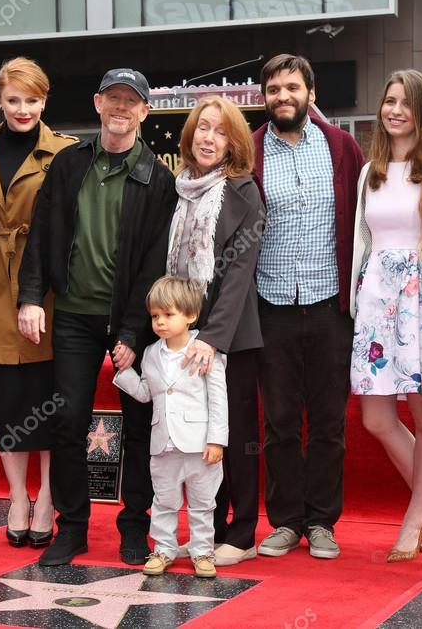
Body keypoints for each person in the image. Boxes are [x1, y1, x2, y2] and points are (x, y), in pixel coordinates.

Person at [18, 68, 178, 567]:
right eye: (113, 98)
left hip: (131, 323)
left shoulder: (158, 178)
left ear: (145, 111)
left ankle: (134, 526)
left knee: (138, 425)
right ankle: (74, 527)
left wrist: (132, 331)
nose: (121, 108)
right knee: (68, 420)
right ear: (97, 102)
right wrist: (29, 296)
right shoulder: (69, 165)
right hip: (73, 317)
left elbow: (156, 263)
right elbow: (42, 234)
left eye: (131, 101)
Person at [251, 54, 364, 560]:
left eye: (292, 87)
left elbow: (364, 222)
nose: (283, 96)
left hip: (330, 306)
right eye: (273, 89)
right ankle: (284, 522)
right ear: (264, 97)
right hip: (270, 304)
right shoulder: (248, 150)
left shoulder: (343, 148)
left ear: (310, 93)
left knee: (327, 422)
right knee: (277, 421)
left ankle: (321, 522)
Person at [0, 57, 77, 548]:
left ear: (44, 101)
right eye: (14, 99)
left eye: (32, 100)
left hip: (48, 290)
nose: (23, 109)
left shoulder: (67, 153)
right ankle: (17, 497)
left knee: (50, 398)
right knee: (8, 401)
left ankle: (48, 497)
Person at [350, 69, 422, 563]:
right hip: (375, 301)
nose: (394, 110)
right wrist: (355, 302)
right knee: (375, 416)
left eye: (405, 103)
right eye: (388, 101)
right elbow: (359, 244)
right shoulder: (372, 172)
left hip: (421, 297)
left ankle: (416, 520)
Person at [165, 96, 264, 566]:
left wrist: (211, 338)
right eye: (202, 128)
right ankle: (212, 530)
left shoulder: (243, 191)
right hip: (186, 335)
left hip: (230, 339)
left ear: (234, 141)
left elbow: (240, 275)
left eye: (220, 131)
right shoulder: (180, 189)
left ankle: (243, 534)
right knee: (202, 440)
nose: (208, 137)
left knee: (235, 436)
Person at [113, 276, 228, 578]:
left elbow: (218, 399)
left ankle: (203, 552)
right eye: (155, 316)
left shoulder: (205, 349)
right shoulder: (151, 353)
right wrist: (124, 374)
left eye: (168, 314)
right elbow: (145, 394)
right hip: (163, 443)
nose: (160, 322)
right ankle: (163, 549)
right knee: (163, 500)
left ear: (190, 315)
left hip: (200, 443)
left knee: (203, 503)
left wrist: (217, 439)